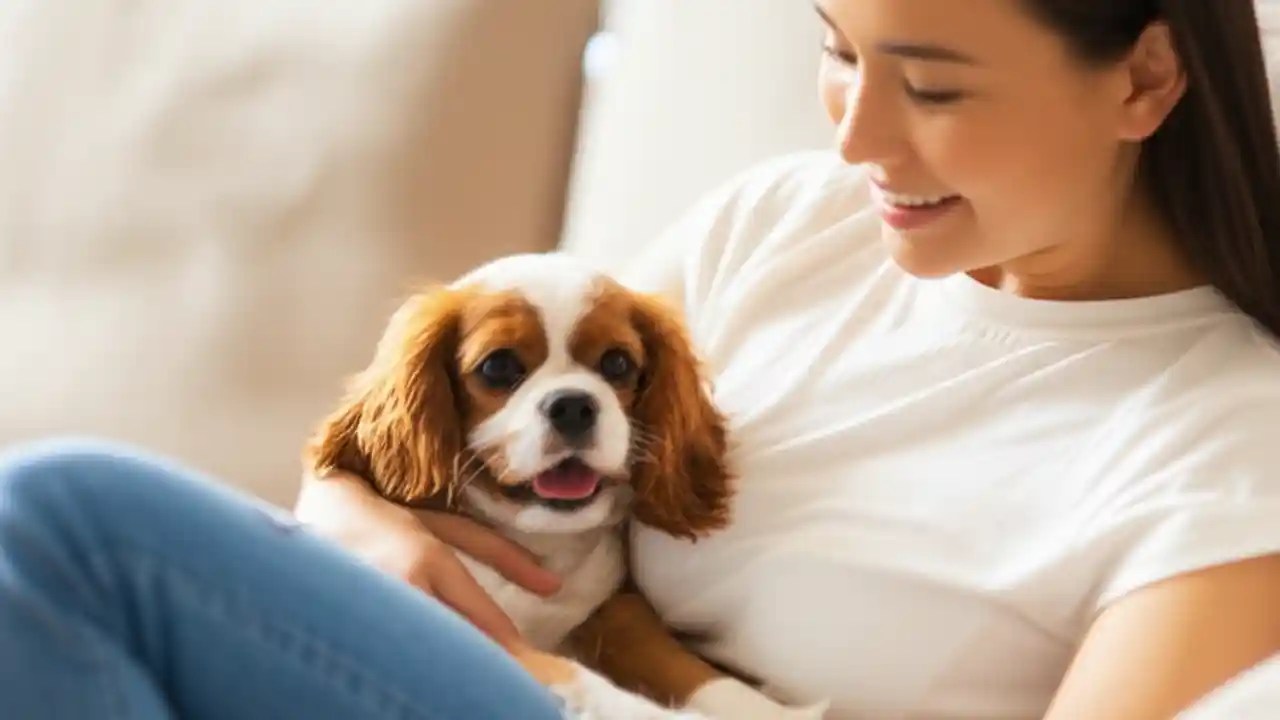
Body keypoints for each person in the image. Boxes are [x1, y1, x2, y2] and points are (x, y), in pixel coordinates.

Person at [2, 1, 1279, 718]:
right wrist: (350, 519)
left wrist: (553, 684)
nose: (853, 141)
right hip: (505, 680)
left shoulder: (1231, 446)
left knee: (73, 528)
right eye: (837, 53)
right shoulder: (788, 226)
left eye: (932, 89)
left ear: (1144, 76)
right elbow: (433, 440)